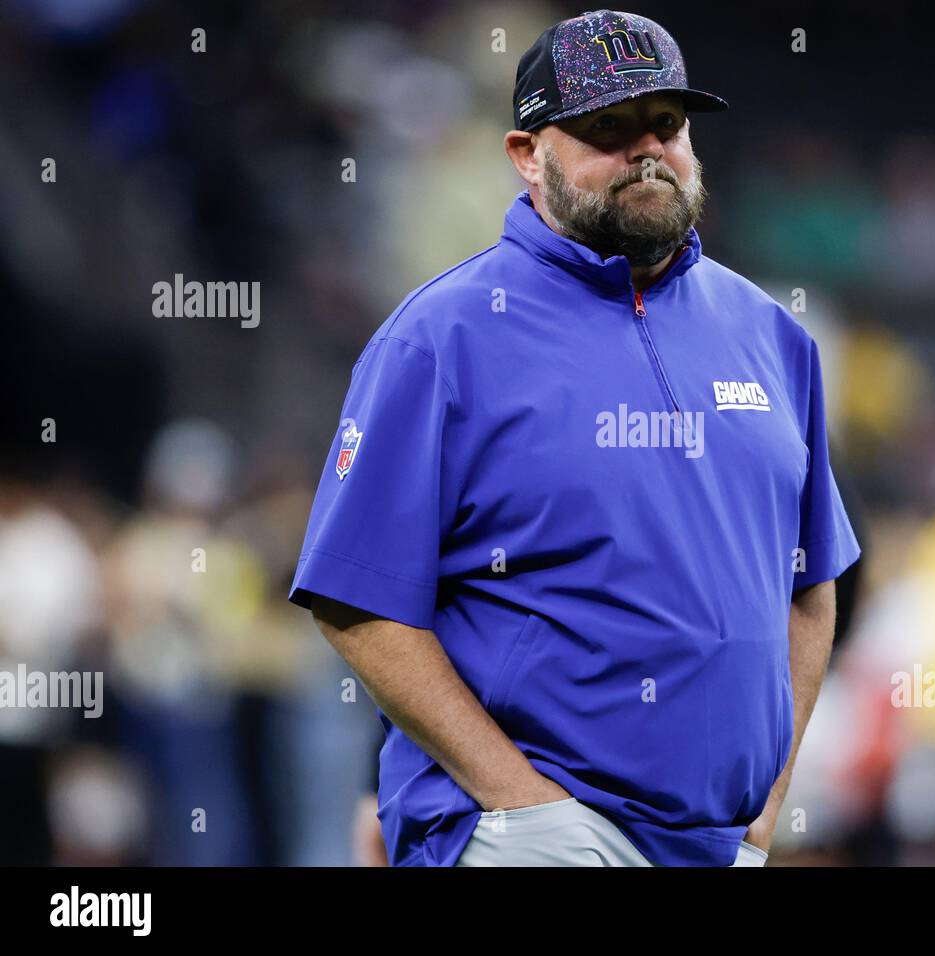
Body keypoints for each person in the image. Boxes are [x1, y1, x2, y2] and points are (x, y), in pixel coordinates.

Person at [288, 9, 861, 867]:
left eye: (666, 126)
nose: (646, 150)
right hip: (534, 835)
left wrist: (766, 804)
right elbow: (355, 596)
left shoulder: (771, 335)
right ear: (527, 155)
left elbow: (810, 584)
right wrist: (520, 803)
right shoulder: (442, 337)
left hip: (718, 843)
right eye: (608, 128)